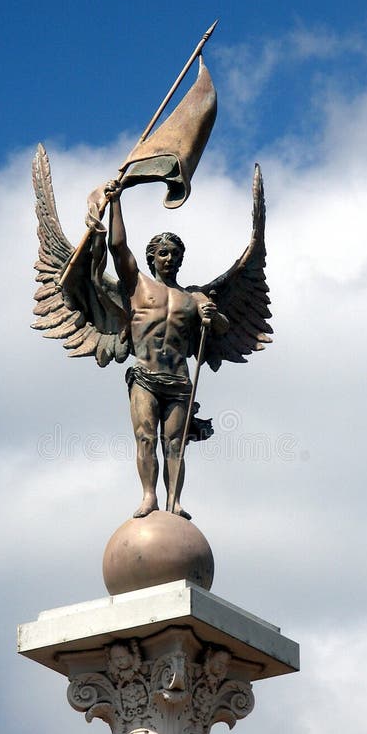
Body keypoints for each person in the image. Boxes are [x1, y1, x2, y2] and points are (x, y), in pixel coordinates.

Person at [99, 180, 229, 519]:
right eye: (164, 253)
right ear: (152, 257)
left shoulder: (193, 296)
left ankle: (174, 500)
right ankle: (148, 496)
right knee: (145, 437)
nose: (170, 258)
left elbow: (223, 327)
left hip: (179, 381)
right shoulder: (137, 285)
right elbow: (117, 246)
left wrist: (212, 317)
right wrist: (115, 202)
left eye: (176, 254)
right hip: (145, 375)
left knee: (174, 444)